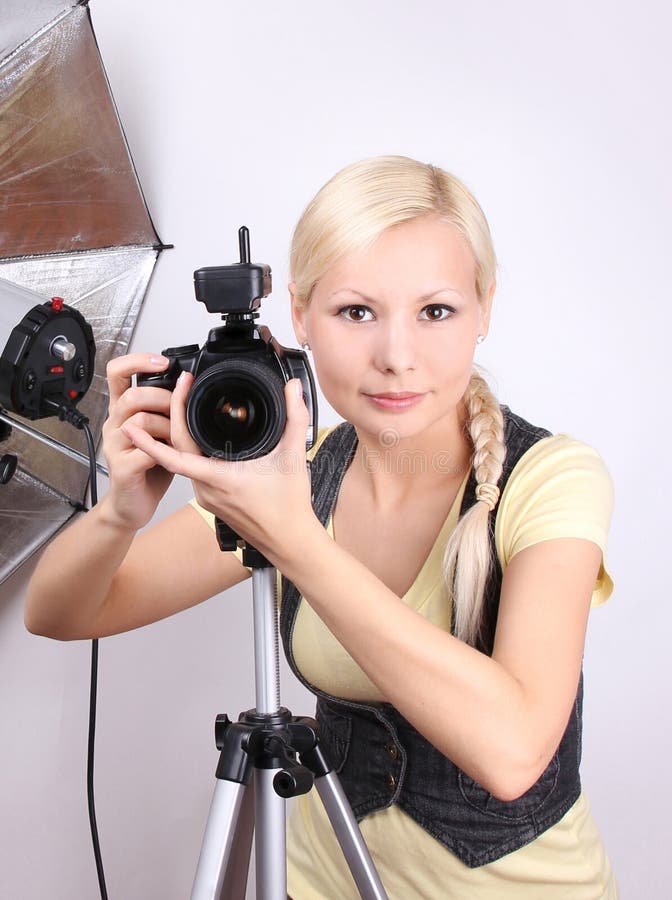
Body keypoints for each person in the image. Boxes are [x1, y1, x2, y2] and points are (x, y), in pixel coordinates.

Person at [25, 155, 617, 898]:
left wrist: (292, 539)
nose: (397, 357)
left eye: (436, 311)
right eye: (356, 312)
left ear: (485, 309)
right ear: (299, 318)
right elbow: (58, 614)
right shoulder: (293, 474)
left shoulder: (551, 476)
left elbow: (514, 752)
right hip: (319, 880)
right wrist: (120, 511)